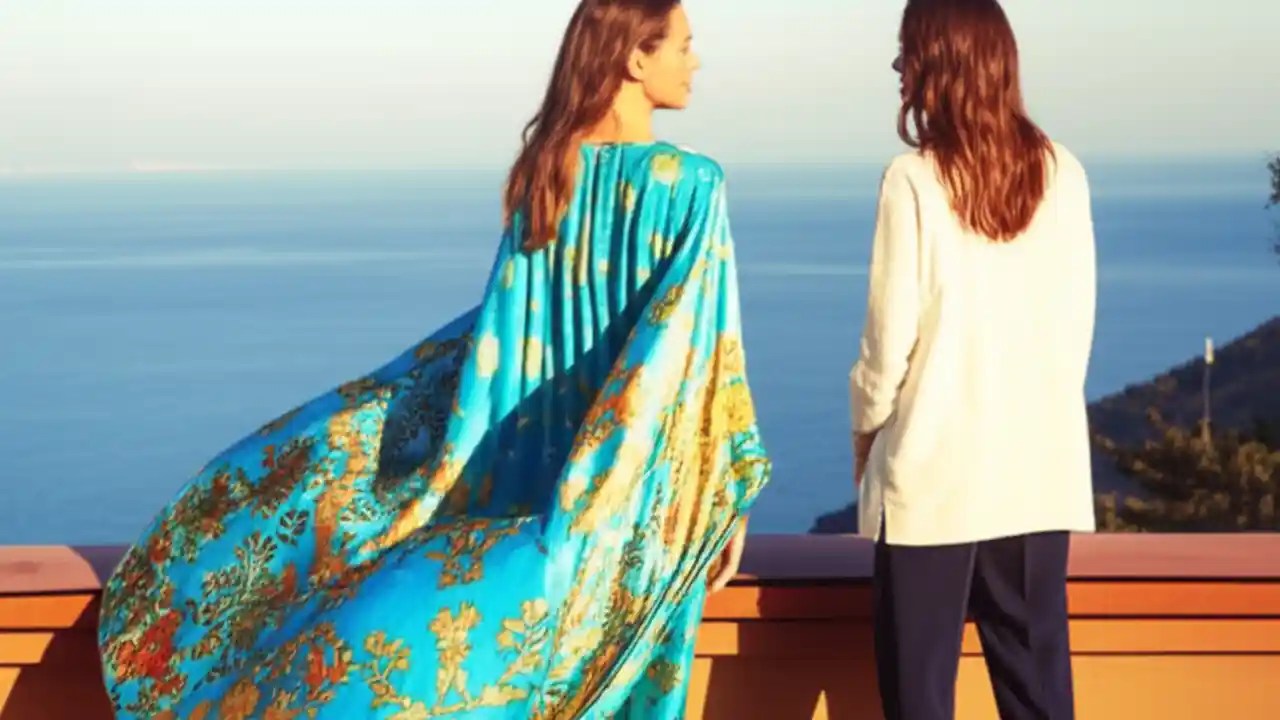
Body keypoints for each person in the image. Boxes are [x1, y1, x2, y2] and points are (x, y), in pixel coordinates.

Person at [96, 2, 771, 718]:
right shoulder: (691, 185)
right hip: (624, 500)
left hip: (515, 487)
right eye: (685, 46)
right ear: (637, 58)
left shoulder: (545, 176)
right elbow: (694, 358)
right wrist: (730, 495)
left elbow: (505, 338)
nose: (695, 62)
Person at [849, 0, 1097, 718]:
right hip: (1036, 477)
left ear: (940, 65)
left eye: (908, 55)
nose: (899, 71)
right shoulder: (1064, 172)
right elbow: (1072, 334)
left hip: (932, 481)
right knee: (1038, 695)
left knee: (919, 696)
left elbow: (887, 345)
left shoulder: (913, 181)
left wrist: (865, 436)